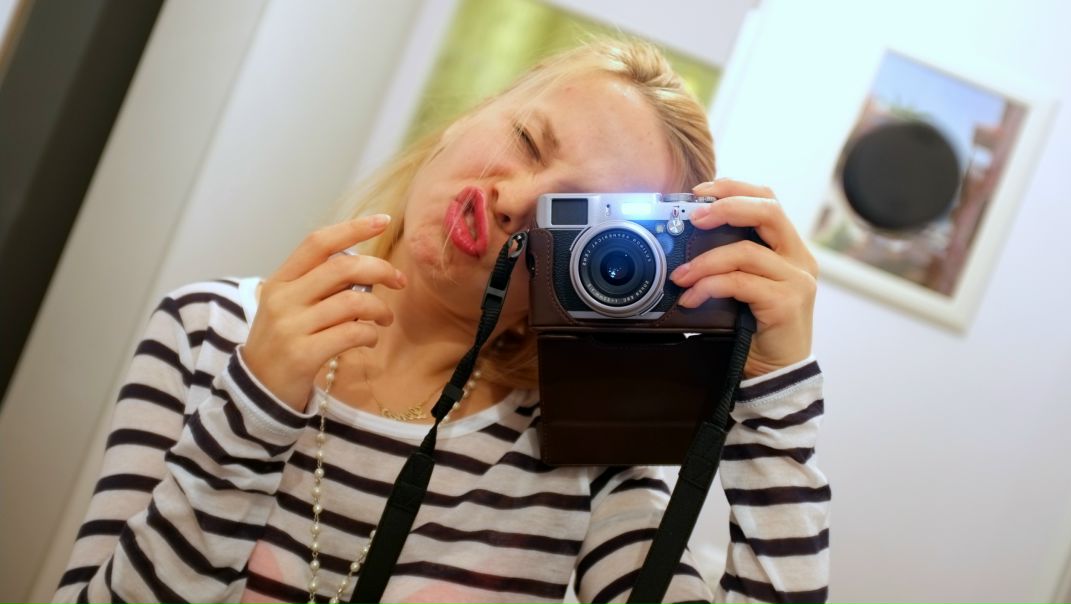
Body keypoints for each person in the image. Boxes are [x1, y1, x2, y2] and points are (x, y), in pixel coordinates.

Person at [53, 38, 828, 604]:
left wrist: (778, 403)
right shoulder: (210, 330)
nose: (515, 200)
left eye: (573, 215)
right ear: (470, 115)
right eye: (526, 141)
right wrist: (253, 406)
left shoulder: (587, 451)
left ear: (604, 278)